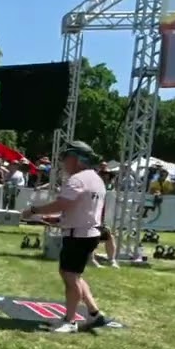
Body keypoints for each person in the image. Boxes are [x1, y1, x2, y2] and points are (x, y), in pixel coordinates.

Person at [23, 141, 109, 333]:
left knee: (70, 277)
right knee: (74, 275)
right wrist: (55, 219)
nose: (63, 163)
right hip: (87, 233)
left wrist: (34, 210)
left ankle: (70, 321)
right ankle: (94, 314)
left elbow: (63, 204)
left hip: (78, 234)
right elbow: (80, 209)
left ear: (76, 159)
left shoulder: (77, 179)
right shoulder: (95, 179)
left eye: (66, 159)